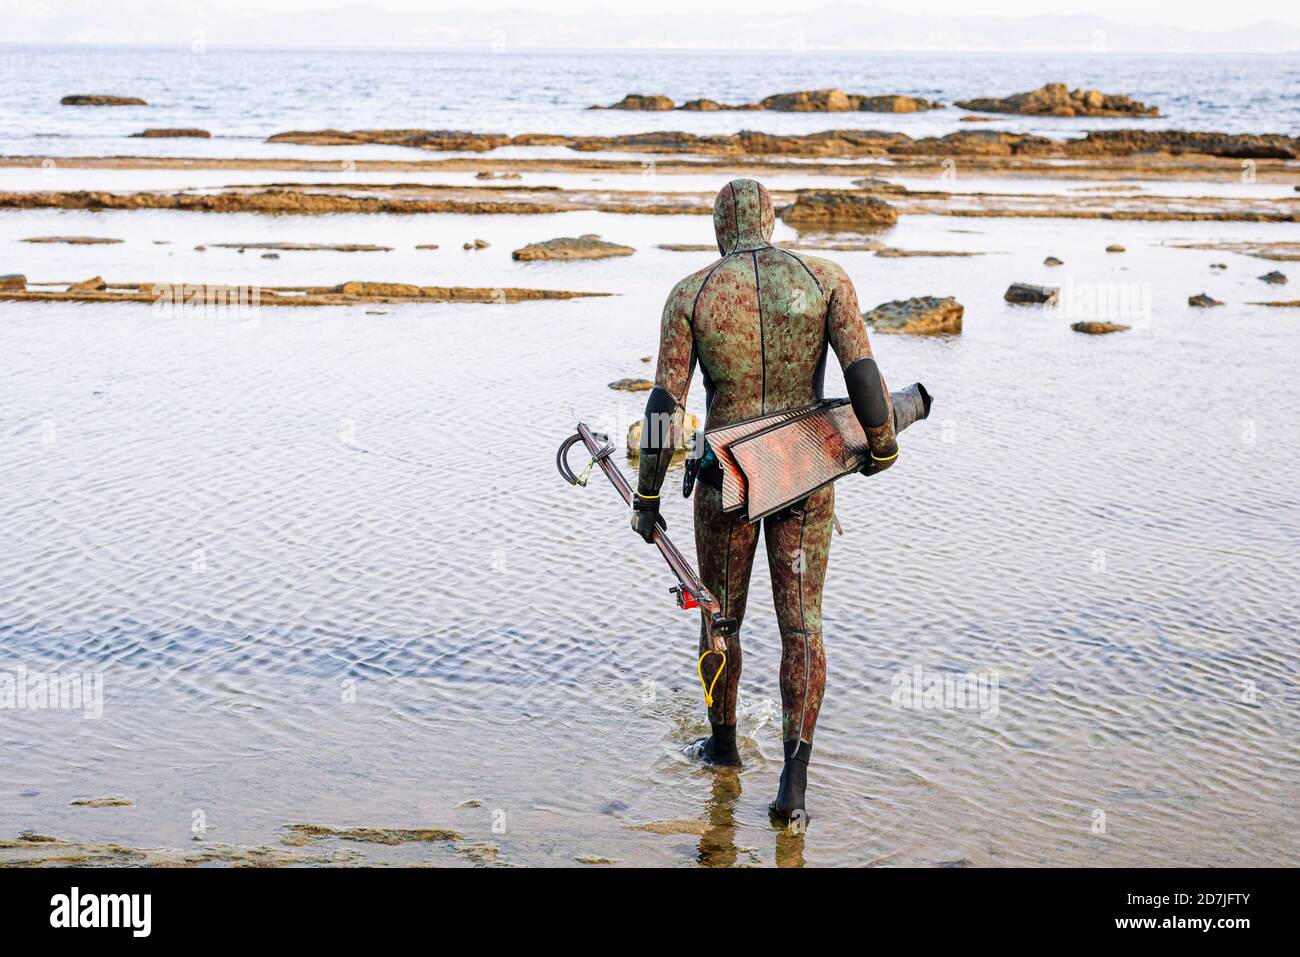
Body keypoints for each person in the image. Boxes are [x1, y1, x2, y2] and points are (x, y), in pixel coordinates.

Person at [631, 178, 899, 825]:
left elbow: (666, 407)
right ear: (771, 223)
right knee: (802, 626)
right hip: (805, 475)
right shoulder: (825, 277)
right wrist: (883, 446)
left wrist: (647, 494)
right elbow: (862, 373)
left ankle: (723, 752)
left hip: (726, 481)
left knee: (719, 618)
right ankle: (793, 786)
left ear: (720, 227)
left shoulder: (692, 293)